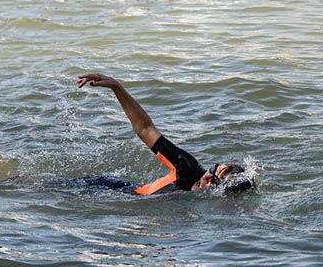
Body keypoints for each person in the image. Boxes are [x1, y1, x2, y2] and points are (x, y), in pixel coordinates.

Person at [77, 72, 255, 195]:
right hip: (109, 190)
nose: (208, 176)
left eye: (215, 181)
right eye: (213, 169)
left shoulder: (204, 206)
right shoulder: (187, 168)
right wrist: (117, 87)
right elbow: (145, 129)